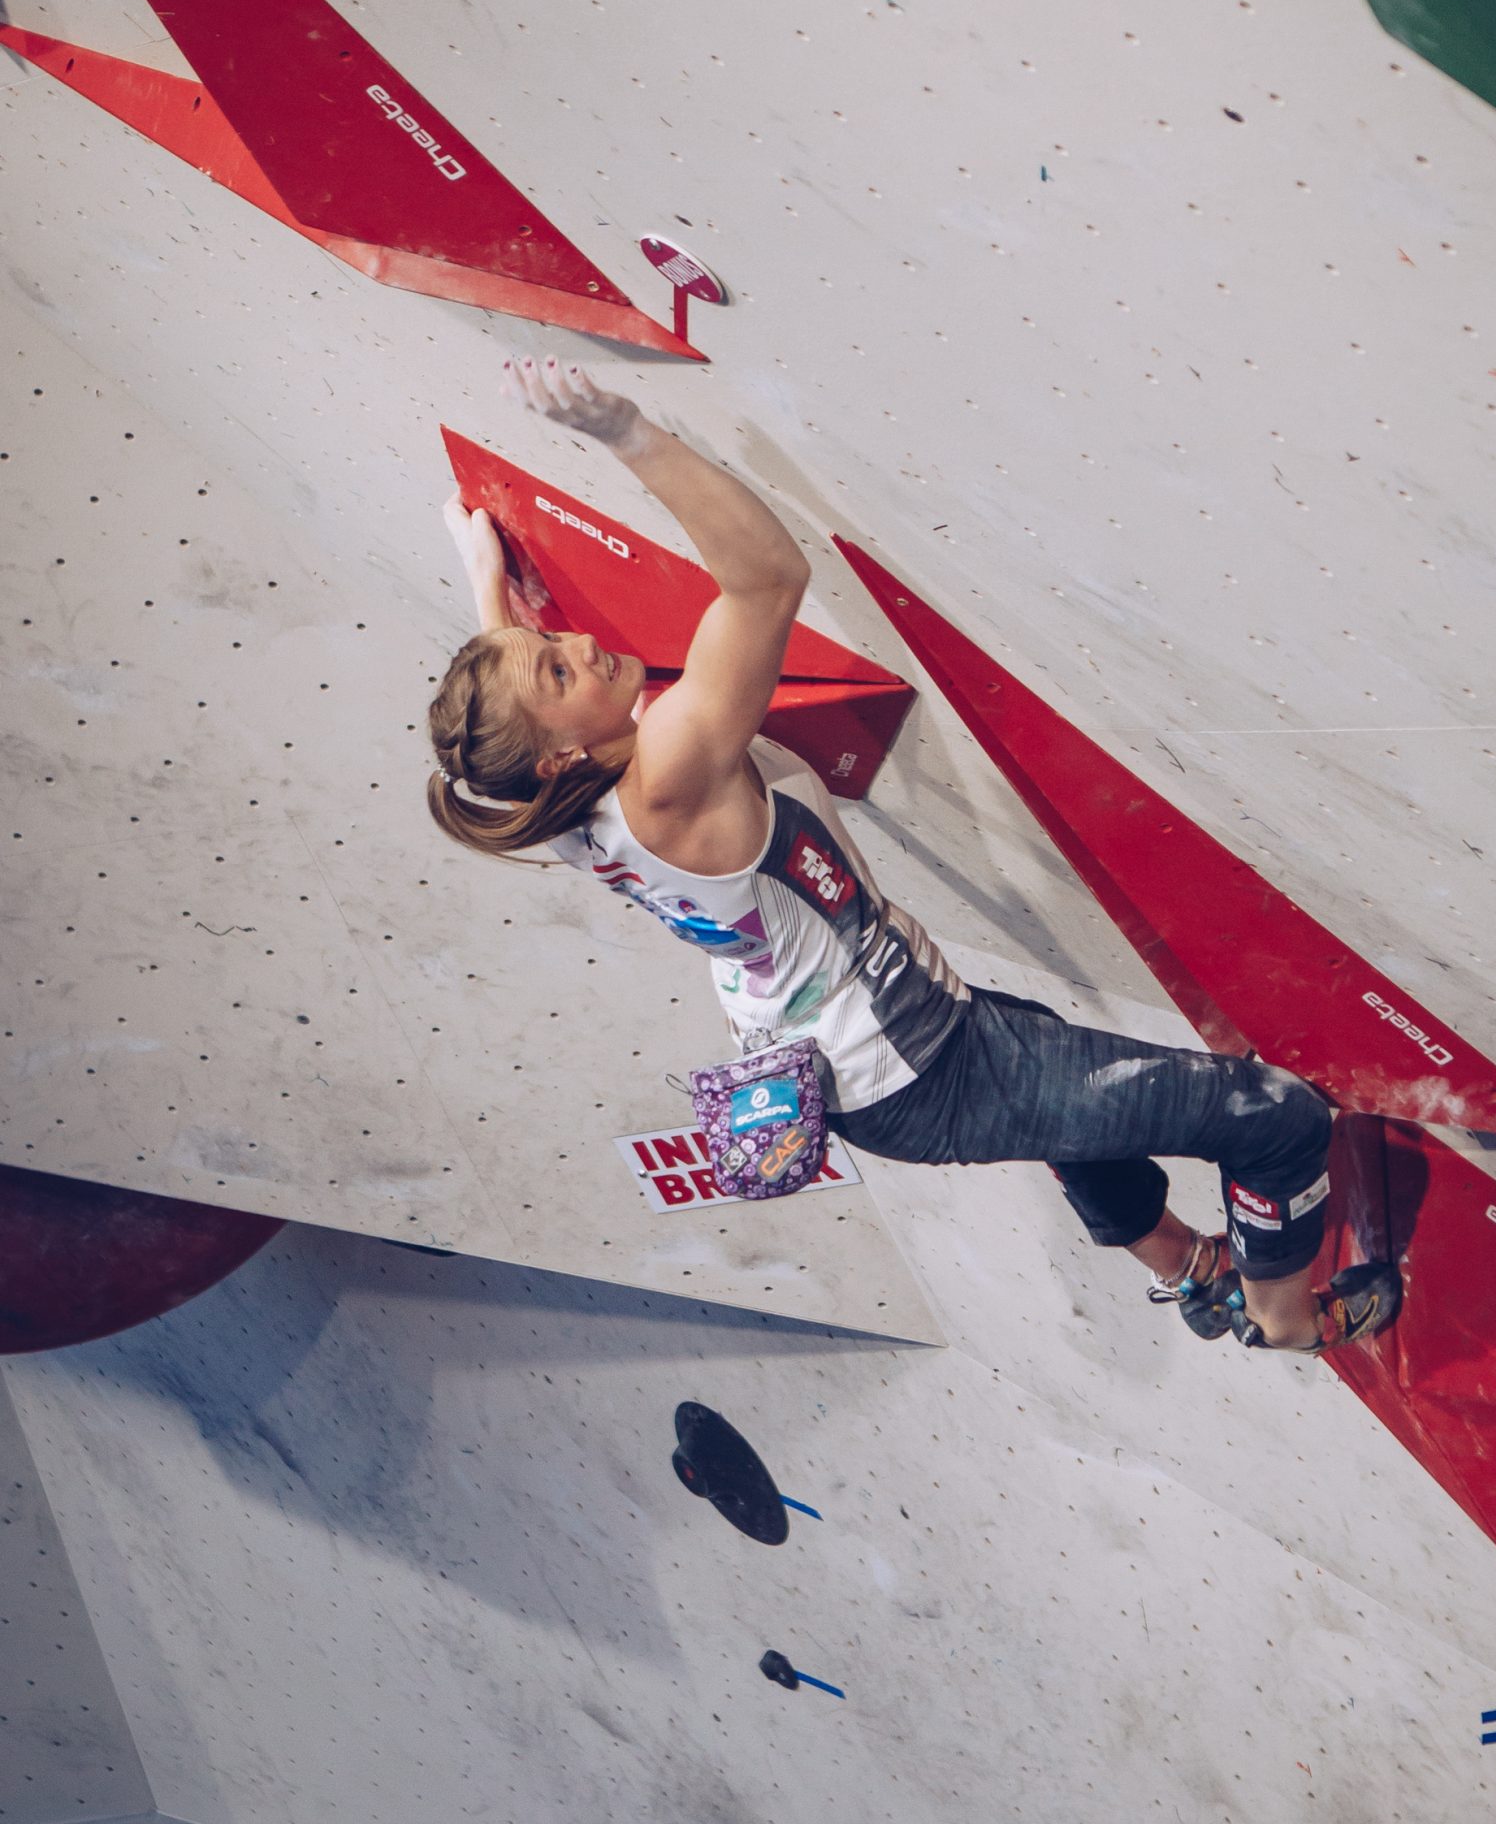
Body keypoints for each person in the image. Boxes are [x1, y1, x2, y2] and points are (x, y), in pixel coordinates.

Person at [427, 357, 1400, 1353]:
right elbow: (768, 578)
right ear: (559, 752)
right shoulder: (667, 765)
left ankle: (1192, 1269)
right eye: (557, 665)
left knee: (1065, 1108)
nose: (579, 641)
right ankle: (1281, 1320)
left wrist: (485, 579)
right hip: (918, 1067)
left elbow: (514, 711)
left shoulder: (549, 807)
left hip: (854, 1059)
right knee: (1278, 1122)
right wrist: (627, 431)